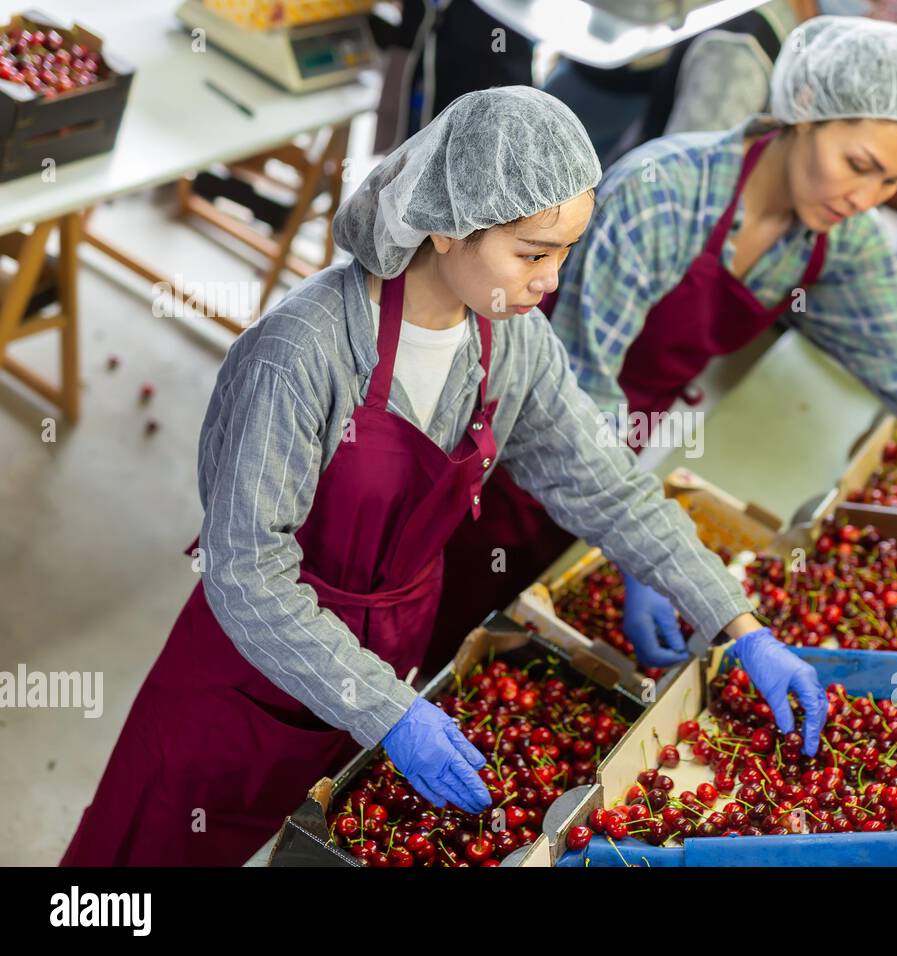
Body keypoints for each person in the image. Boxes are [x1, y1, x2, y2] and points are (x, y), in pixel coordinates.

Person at [60, 87, 824, 867]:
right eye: (533, 253)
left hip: (393, 657)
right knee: (144, 860)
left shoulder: (510, 344)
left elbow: (605, 483)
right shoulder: (301, 354)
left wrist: (740, 624)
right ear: (451, 228)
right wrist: (389, 713)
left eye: (565, 253)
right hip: (249, 679)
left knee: (308, 840)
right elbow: (246, 571)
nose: (552, 283)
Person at [433, 18, 897, 670]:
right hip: (497, 436)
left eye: (892, 180)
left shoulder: (837, 236)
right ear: (803, 108)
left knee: (514, 628)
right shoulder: (663, 195)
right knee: (440, 611)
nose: (866, 196)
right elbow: (583, 395)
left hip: (612, 460)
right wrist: (647, 553)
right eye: (857, 163)